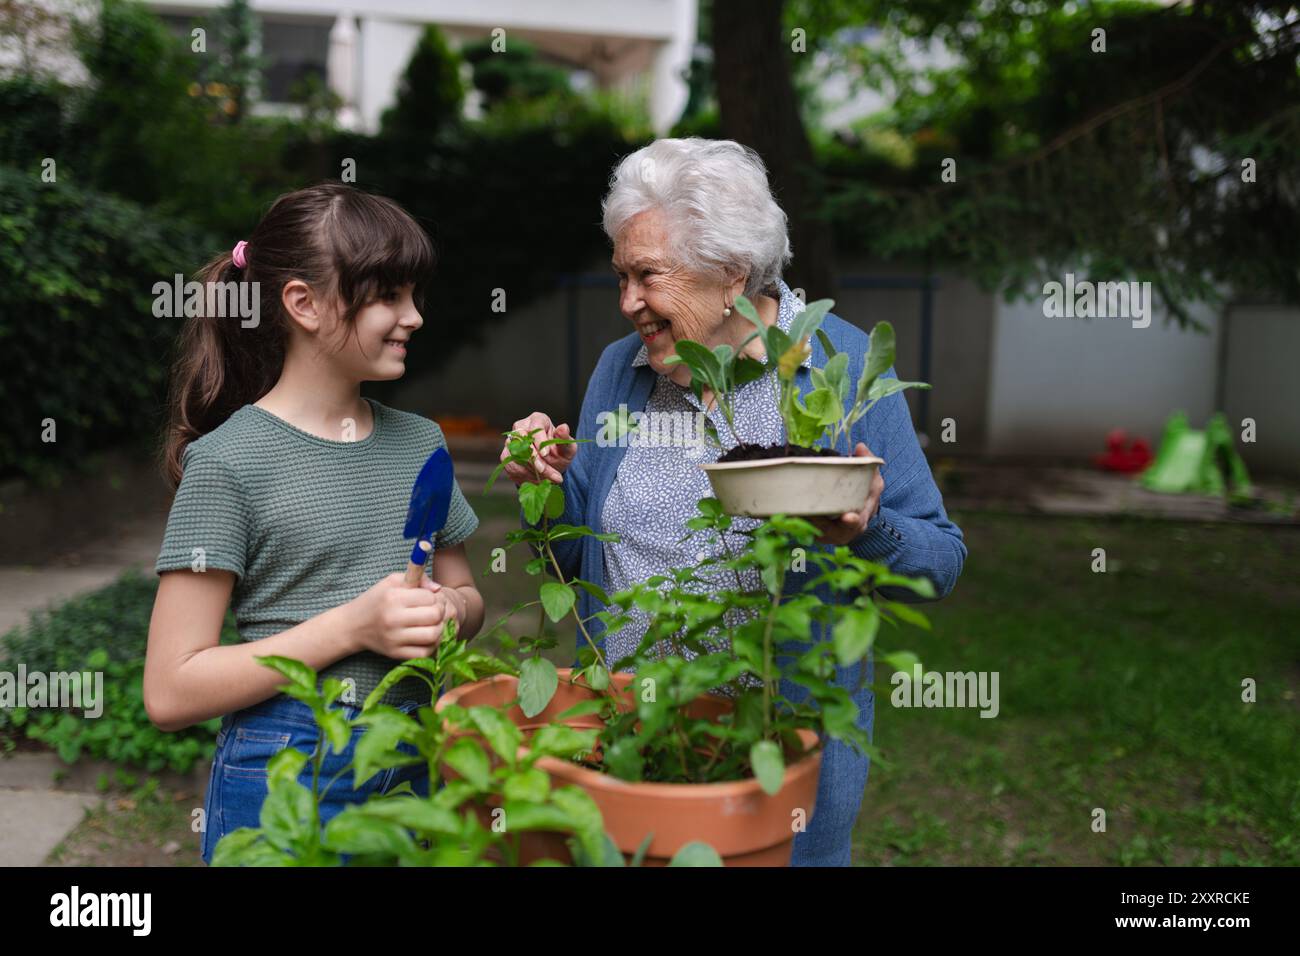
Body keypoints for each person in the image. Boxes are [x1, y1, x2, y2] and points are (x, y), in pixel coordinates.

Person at [500, 138, 966, 866]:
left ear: (732, 275)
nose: (627, 304)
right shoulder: (619, 373)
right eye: (620, 276)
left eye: (646, 276)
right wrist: (548, 490)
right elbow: (576, 560)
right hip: (636, 750)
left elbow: (940, 561)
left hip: (775, 765)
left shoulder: (835, 368)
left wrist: (865, 530)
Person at [145, 183, 484, 864]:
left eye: (415, 294)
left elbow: (470, 599)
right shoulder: (229, 463)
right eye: (388, 295)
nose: (414, 316)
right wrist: (353, 627)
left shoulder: (422, 443)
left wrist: (450, 610)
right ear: (302, 303)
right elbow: (172, 688)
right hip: (284, 767)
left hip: (412, 750)